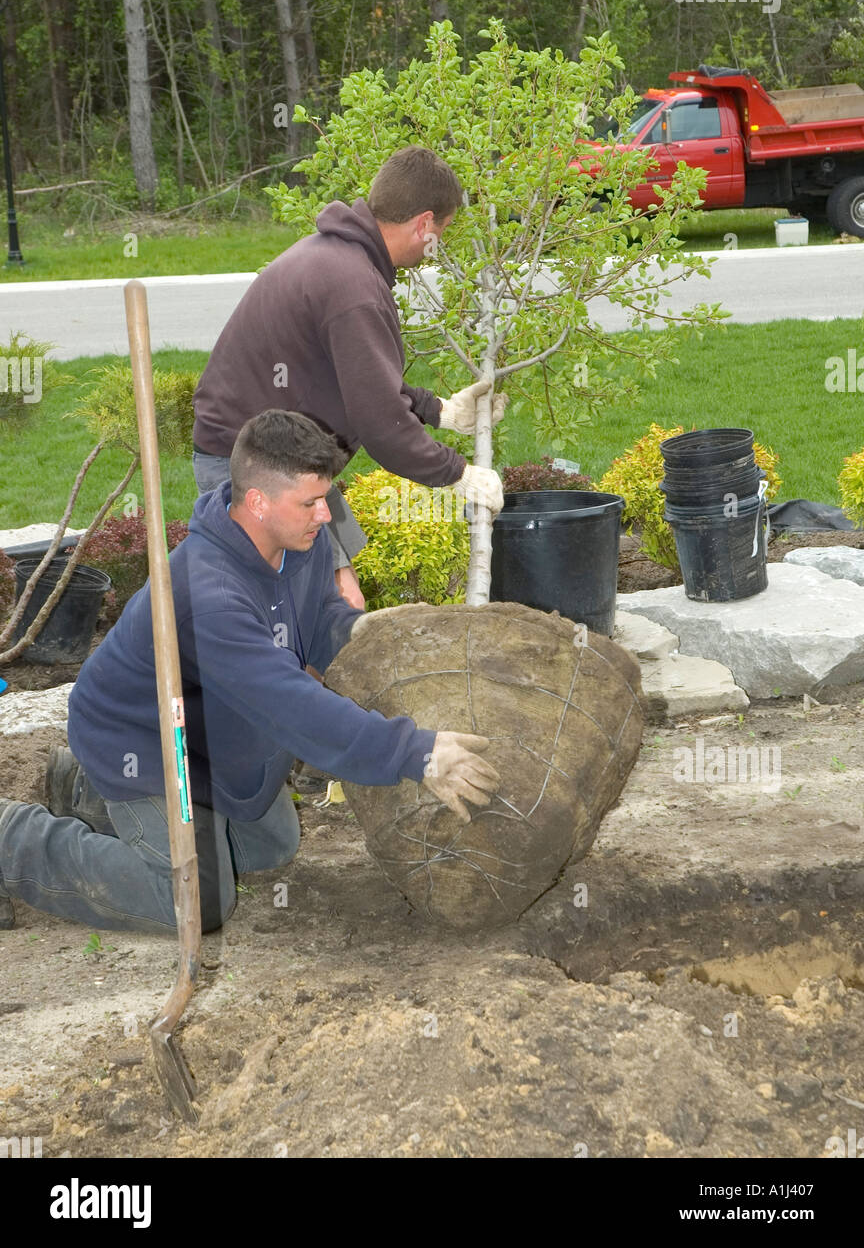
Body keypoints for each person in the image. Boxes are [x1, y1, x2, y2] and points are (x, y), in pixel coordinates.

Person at [0, 411, 499, 935]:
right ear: (258, 502)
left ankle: (82, 791)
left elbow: (319, 617)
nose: (326, 515)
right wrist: (412, 752)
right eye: (310, 502)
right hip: (146, 739)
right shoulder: (208, 595)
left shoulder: (297, 543)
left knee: (272, 843)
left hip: (212, 737)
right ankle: (15, 841)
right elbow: (288, 703)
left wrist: (358, 633)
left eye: (325, 498)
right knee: (198, 902)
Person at [191, 145, 507, 611]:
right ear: (423, 224)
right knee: (321, 607)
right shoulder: (353, 286)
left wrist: (439, 411)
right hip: (254, 471)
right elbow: (382, 426)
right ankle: (288, 684)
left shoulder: (341, 259)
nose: (438, 242)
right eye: (443, 229)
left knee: (338, 597)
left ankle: (314, 682)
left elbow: (358, 378)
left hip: (288, 461)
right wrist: (458, 474)